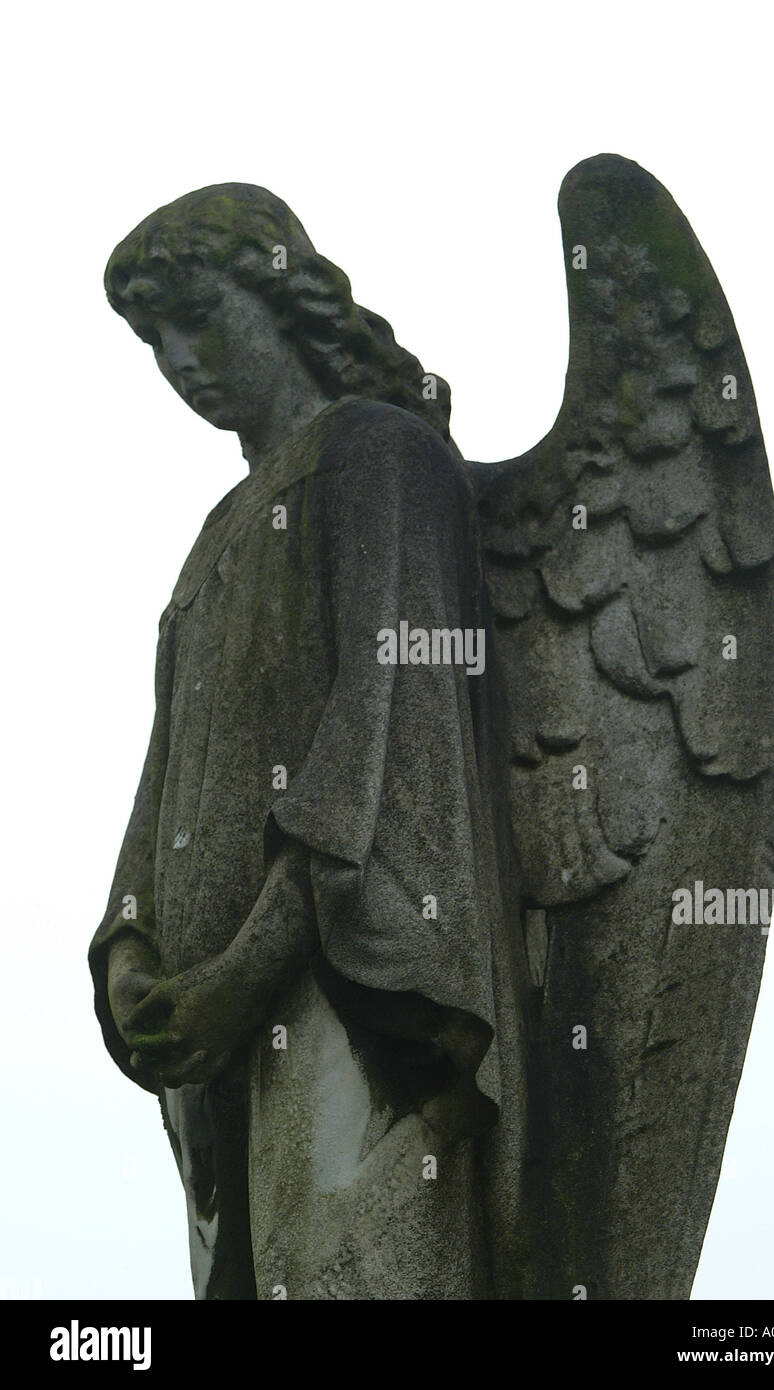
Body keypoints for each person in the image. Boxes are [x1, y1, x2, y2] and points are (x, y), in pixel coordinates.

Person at [90, 184, 534, 1299]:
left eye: (201, 315)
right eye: (157, 339)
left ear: (278, 295)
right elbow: (162, 786)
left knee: (342, 1277)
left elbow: (384, 737)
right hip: (214, 1035)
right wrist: (130, 947)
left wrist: (250, 966)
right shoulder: (209, 548)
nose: (182, 359)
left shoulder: (380, 454)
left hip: (349, 987)